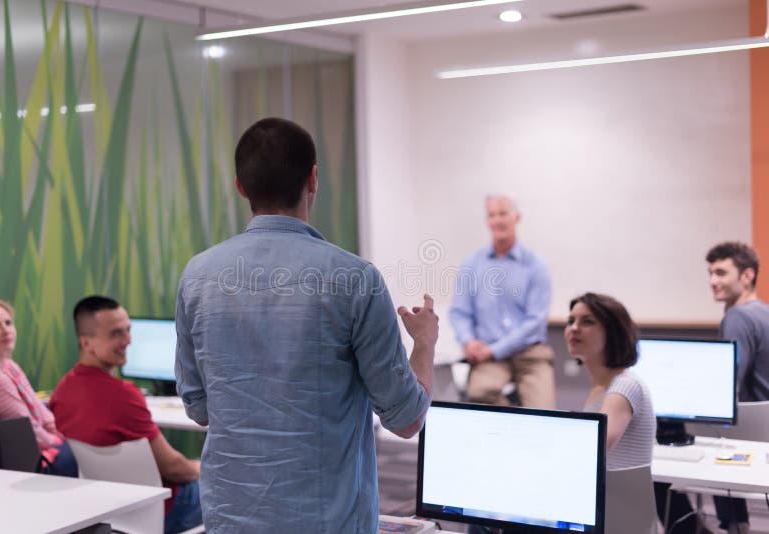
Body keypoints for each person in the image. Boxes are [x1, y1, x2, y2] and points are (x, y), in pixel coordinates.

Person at [175, 117, 437, 534]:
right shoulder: (355, 279)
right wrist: (424, 343)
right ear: (313, 178)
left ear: (240, 186)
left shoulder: (197, 276)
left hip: (229, 519)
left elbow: (199, 409)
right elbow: (406, 420)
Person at [49, 296, 201, 534]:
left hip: (107, 511)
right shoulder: (124, 395)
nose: (128, 340)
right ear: (86, 343)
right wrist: (202, 468)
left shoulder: (62, 392)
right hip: (163, 508)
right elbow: (174, 468)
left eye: (128, 330)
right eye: (116, 333)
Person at [449, 195, 555, 408]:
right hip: (488, 356)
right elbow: (460, 312)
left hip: (530, 355)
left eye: (503, 213)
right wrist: (468, 341)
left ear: (517, 217)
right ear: (487, 221)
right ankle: (511, 422)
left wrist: (495, 349)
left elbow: (535, 321)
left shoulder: (536, 266)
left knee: (545, 412)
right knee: (479, 394)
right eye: (492, 215)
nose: (497, 220)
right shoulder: (472, 264)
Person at [0, 300, 77, 477]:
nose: (6, 330)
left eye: (8, 323)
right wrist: (59, 441)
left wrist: (60, 433)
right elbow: (29, 430)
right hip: (25, 464)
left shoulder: (8, 365)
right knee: (91, 452)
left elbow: (41, 411)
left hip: (30, 453)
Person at [706, 241, 769, 534]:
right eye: (710, 273)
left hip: (755, 431)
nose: (712, 281)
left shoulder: (737, 317)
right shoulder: (764, 312)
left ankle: (734, 525)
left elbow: (728, 386)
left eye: (721, 272)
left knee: (705, 426)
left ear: (747, 275)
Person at [564, 293, 655, 469]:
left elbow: (589, 451)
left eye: (587, 322)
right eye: (570, 321)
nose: (574, 328)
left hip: (619, 488)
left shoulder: (625, 385)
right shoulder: (600, 385)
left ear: (613, 332)